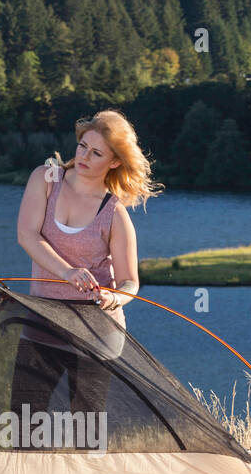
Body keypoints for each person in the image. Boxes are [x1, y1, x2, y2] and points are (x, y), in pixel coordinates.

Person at [10, 110, 161, 435]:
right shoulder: (46, 179)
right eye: (82, 146)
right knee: (22, 426)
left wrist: (113, 297)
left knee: (85, 433)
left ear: (115, 161)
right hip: (43, 319)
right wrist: (68, 272)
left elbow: (130, 282)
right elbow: (27, 235)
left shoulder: (114, 214)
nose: (84, 157)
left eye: (96, 153)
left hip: (97, 331)